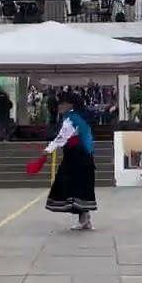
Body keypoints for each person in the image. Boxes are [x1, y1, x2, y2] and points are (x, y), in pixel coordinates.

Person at [39, 91, 98, 229]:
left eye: (62, 104)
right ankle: (85, 218)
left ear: (69, 105)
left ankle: (84, 218)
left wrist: (48, 149)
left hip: (76, 157)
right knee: (80, 186)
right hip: (83, 156)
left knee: (74, 186)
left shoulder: (71, 120)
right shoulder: (78, 118)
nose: (59, 106)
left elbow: (62, 138)